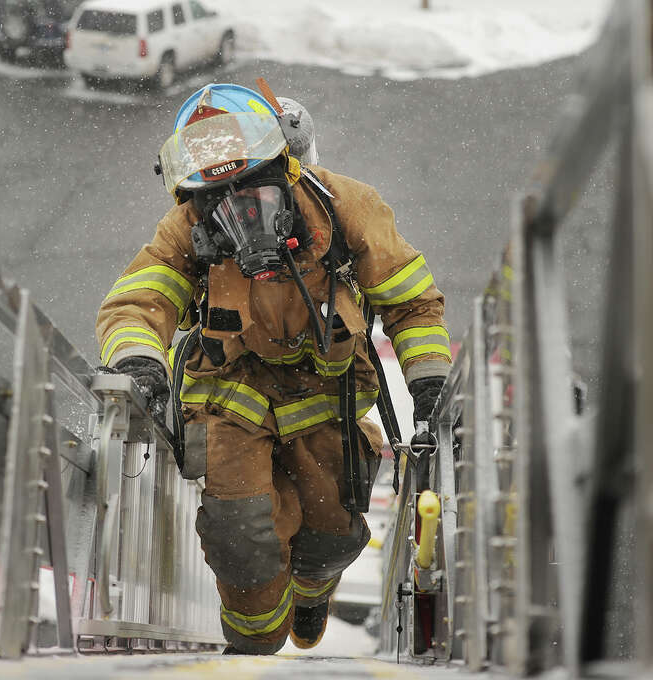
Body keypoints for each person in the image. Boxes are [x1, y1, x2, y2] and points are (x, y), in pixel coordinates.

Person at [96, 83, 451, 655]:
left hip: (327, 395)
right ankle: (252, 652)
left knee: (332, 536)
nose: (238, 211)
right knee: (240, 537)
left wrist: (430, 381)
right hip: (231, 394)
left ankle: (312, 591)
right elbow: (138, 301)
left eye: (253, 190)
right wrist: (139, 361)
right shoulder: (187, 226)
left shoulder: (346, 208)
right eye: (220, 197)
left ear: (283, 165)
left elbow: (412, 303)